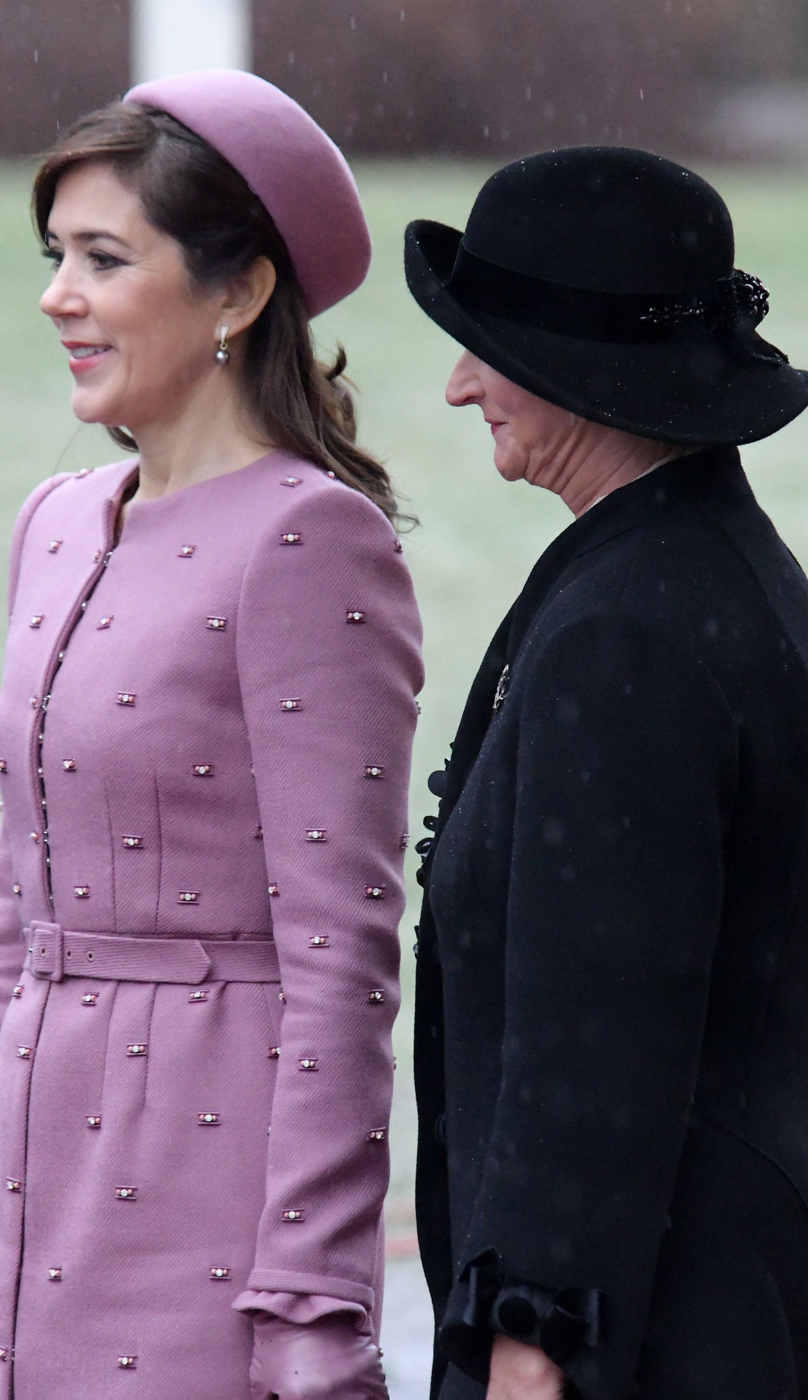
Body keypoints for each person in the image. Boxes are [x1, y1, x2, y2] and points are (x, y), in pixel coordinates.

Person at [0, 69, 422, 1400]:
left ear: (239, 291)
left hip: (206, 1188)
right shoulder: (53, 520)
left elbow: (343, 956)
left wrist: (308, 1293)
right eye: (53, 256)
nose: (57, 296)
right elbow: (15, 924)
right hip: (30, 1175)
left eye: (103, 258)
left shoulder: (312, 541)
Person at [405, 146, 808, 1400]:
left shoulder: (631, 630)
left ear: (581, 372)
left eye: (488, 350)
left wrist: (532, 1344)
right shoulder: (703, 569)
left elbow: (598, 1038)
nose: (460, 385)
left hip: (648, 1346)